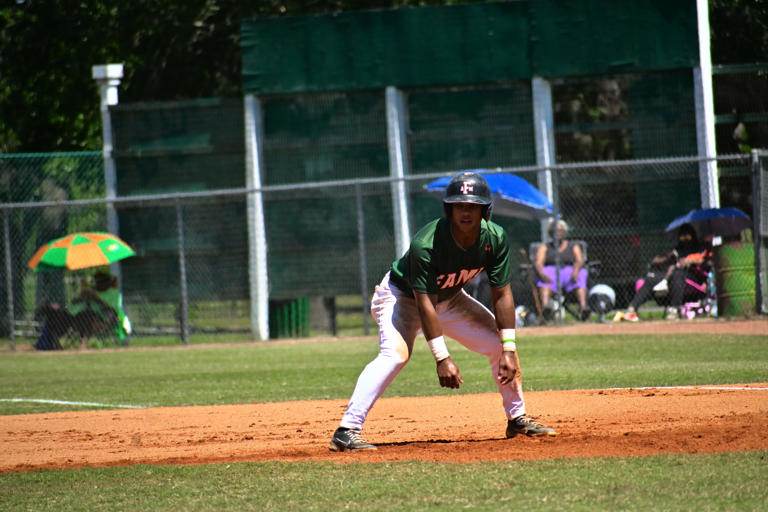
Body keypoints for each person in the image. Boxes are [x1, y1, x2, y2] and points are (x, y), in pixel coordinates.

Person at [328, 172, 556, 452]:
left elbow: (502, 294)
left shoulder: (494, 239)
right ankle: (346, 430)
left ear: (486, 210)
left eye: (473, 206)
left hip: (451, 299)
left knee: (500, 344)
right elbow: (424, 304)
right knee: (395, 355)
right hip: (402, 298)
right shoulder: (428, 243)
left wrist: (509, 347)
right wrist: (442, 357)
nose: (466, 211)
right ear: (449, 210)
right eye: (459, 205)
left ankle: (517, 419)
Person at [614, 223, 709, 322]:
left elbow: (705, 262)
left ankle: (674, 310)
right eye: (682, 237)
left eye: (688, 236)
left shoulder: (698, 250)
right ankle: (631, 310)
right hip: (670, 277)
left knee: (677, 275)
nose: (685, 239)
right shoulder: (677, 250)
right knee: (652, 278)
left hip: (690, 278)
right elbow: (654, 261)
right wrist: (668, 258)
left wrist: (688, 261)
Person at [35, 271, 130, 350]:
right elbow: (71, 305)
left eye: (102, 281)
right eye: (97, 281)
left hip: (102, 319)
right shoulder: (90, 290)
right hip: (77, 317)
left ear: (108, 282)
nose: (99, 283)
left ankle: (83, 343)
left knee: (87, 315)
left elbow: (113, 311)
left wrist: (96, 299)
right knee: (57, 315)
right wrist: (82, 297)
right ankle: (55, 344)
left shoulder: (114, 294)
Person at [533, 219, 590, 322]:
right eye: (554, 231)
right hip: (551, 272)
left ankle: (583, 307)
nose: (557, 233)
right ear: (550, 233)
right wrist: (542, 274)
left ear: (564, 232)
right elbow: (538, 262)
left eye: (560, 231)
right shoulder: (545, 246)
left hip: (570, 272)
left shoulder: (573, 245)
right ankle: (546, 308)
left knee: (582, 274)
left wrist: (576, 271)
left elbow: (579, 260)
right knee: (546, 274)